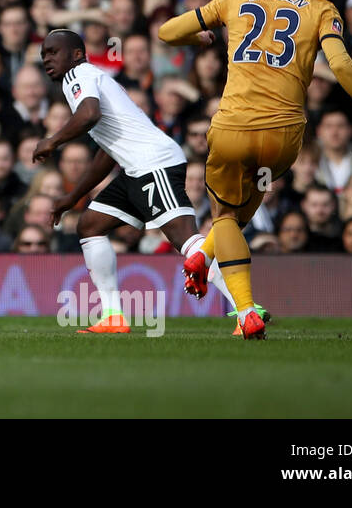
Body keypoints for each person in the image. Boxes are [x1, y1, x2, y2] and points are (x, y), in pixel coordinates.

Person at [159, 0, 352, 339]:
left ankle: (245, 311)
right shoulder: (323, 8)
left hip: (233, 126)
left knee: (226, 216)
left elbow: (166, 32)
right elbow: (340, 65)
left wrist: (198, 36)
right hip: (286, 135)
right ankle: (202, 258)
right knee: (237, 217)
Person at [34, 29, 238, 335]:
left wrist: (53, 140)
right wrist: (72, 196)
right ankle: (113, 317)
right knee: (90, 226)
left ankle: (247, 308)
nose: (47, 59)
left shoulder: (79, 75)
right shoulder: (83, 81)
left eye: (53, 52)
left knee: (185, 240)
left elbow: (89, 115)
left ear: (76, 54)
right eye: (43, 55)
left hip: (154, 163)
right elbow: (108, 150)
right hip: (135, 168)